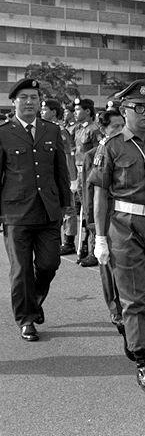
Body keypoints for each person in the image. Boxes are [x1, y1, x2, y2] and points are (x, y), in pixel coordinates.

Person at [89, 80, 145, 393]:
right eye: (139, 107)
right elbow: (99, 194)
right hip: (124, 227)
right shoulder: (111, 146)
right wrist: (100, 237)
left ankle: (131, 324)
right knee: (135, 298)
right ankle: (142, 360)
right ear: (123, 111)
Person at [0, 79, 71, 342]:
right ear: (14, 102)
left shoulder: (51, 131)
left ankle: (35, 299)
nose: (29, 102)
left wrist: (66, 205)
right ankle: (26, 319)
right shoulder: (4, 132)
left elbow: (60, 171)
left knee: (49, 264)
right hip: (15, 213)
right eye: (24, 97)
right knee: (21, 270)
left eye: (34, 97)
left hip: (48, 211)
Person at [82, 109, 125, 323]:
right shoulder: (94, 156)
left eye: (122, 125)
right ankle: (115, 308)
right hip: (105, 219)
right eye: (114, 127)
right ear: (103, 130)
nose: (120, 131)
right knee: (108, 267)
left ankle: (131, 305)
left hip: (126, 218)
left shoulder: (131, 149)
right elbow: (90, 194)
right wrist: (93, 227)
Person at [40, 99, 78, 256]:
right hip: (50, 175)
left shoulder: (59, 130)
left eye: (45, 109)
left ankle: (69, 241)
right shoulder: (43, 129)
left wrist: (73, 180)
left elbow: (68, 156)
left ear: (54, 112)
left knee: (68, 207)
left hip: (65, 174)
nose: (42, 112)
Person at [72, 98, 103, 260]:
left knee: (91, 210)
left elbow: (99, 152)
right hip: (79, 174)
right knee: (84, 212)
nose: (75, 112)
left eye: (78, 110)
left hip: (90, 174)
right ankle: (85, 246)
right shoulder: (78, 129)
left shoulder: (94, 130)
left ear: (88, 111)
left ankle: (93, 249)